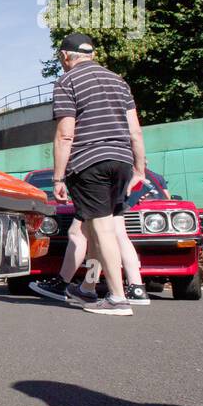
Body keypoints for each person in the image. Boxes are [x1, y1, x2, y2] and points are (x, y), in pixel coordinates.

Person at [50, 32, 146, 316]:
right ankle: (89, 288)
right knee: (93, 227)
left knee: (102, 229)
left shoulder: (67, 81)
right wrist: (139, 168)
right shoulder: (118, 80)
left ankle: (118, 298)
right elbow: (135, 131)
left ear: (65, 56)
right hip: (122, 160)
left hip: (90, 161)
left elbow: (65, 134)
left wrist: (58, 177)